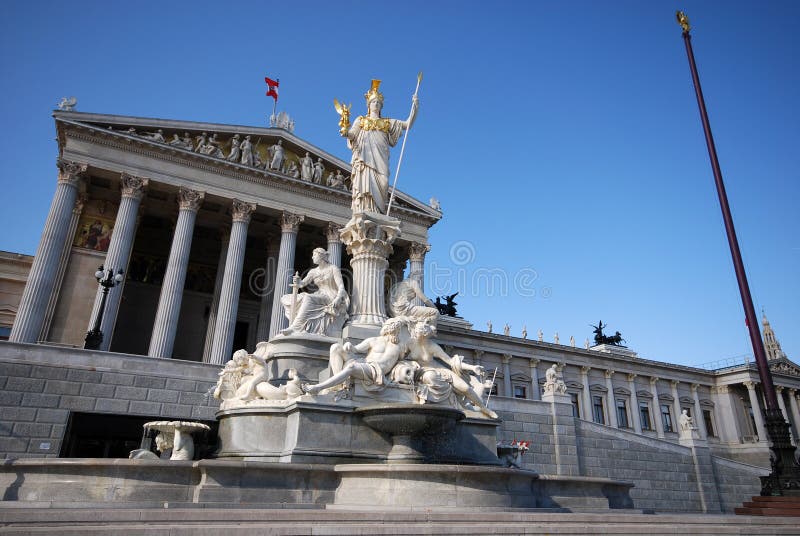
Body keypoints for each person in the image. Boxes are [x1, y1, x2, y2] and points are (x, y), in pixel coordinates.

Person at [340, 79, 418, 214]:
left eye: (378, 103)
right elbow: (352, 135)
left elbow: (407, 124)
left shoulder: (387, 122)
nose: (375, 104)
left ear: (381, 106)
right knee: (365, 184)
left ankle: (377, 213)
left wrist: (415, 107)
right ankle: (365, 210)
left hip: (381, 159)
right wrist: (345, 131)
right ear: (368, 105)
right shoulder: (361, 120)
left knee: (383, 183)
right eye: (373, 102)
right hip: (365, 159)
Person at [406, 321, 497, 419]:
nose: (416, 334)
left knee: (465, 388)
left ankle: (484, 409)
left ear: (425, 334)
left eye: (418, 333)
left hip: (439, 369)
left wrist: (472, 367)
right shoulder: (410, 343)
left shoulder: (433, 346)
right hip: (421, 370)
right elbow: (401, 357)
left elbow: (451, 361)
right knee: (430, 376)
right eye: (415, 332)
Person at [304, 317, 406, 394]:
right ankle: (340, 385)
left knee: (352, 367)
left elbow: (405, 361)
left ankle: (318, 387)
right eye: (393, 326)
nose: (394, 329)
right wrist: (349, 345)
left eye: (397, 328)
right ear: (386, 328)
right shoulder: (374, 340)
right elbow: (356, 349)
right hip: (365, 363)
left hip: (375, 371)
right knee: (335, 347)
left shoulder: (400, 347)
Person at [279, 248, 349, 336]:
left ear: (321, 256)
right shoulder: (313, 271)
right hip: (320, 295)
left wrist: (338, 298)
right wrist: (297, 281)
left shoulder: (333, 269)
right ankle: (299, 326)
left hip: (331, 296)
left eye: (314, 255)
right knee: (287, 298)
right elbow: (302, 284)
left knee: (308, 297)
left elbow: (341, 286)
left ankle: (295, 327)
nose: (312, 257)